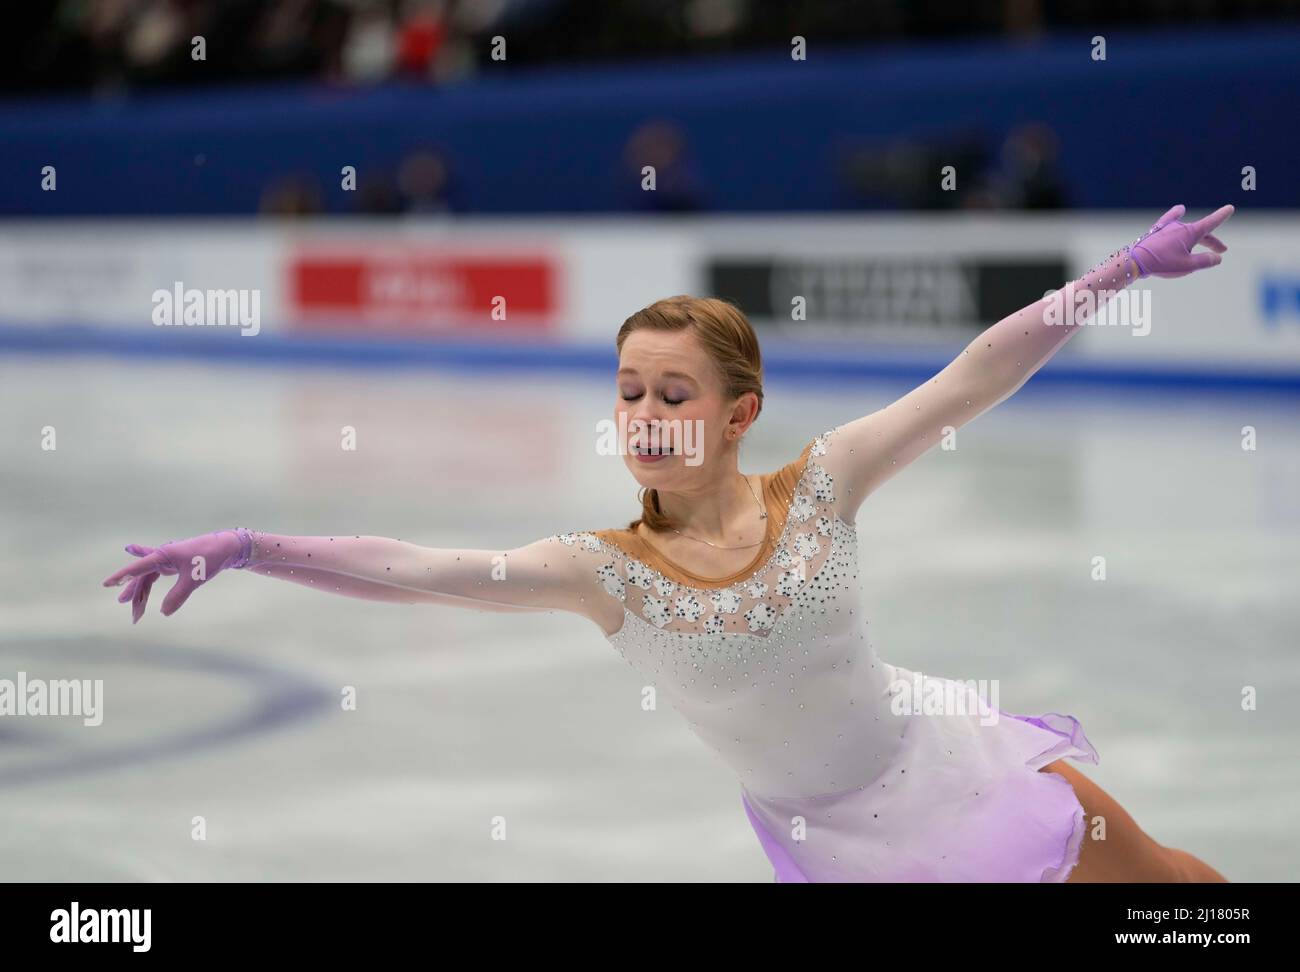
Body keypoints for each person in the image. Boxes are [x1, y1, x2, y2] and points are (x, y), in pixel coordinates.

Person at [104, 204, 1234, 882]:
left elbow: (970, 375)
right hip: (840, 837)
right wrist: (254, 545)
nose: (644, 414)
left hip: (941, 759)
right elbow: (414, 570)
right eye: (629, 389)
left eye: (674, 392)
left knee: (1166, 892)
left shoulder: (822, 485)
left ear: (738, 414)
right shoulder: (603, 575)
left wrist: (1119, 274)